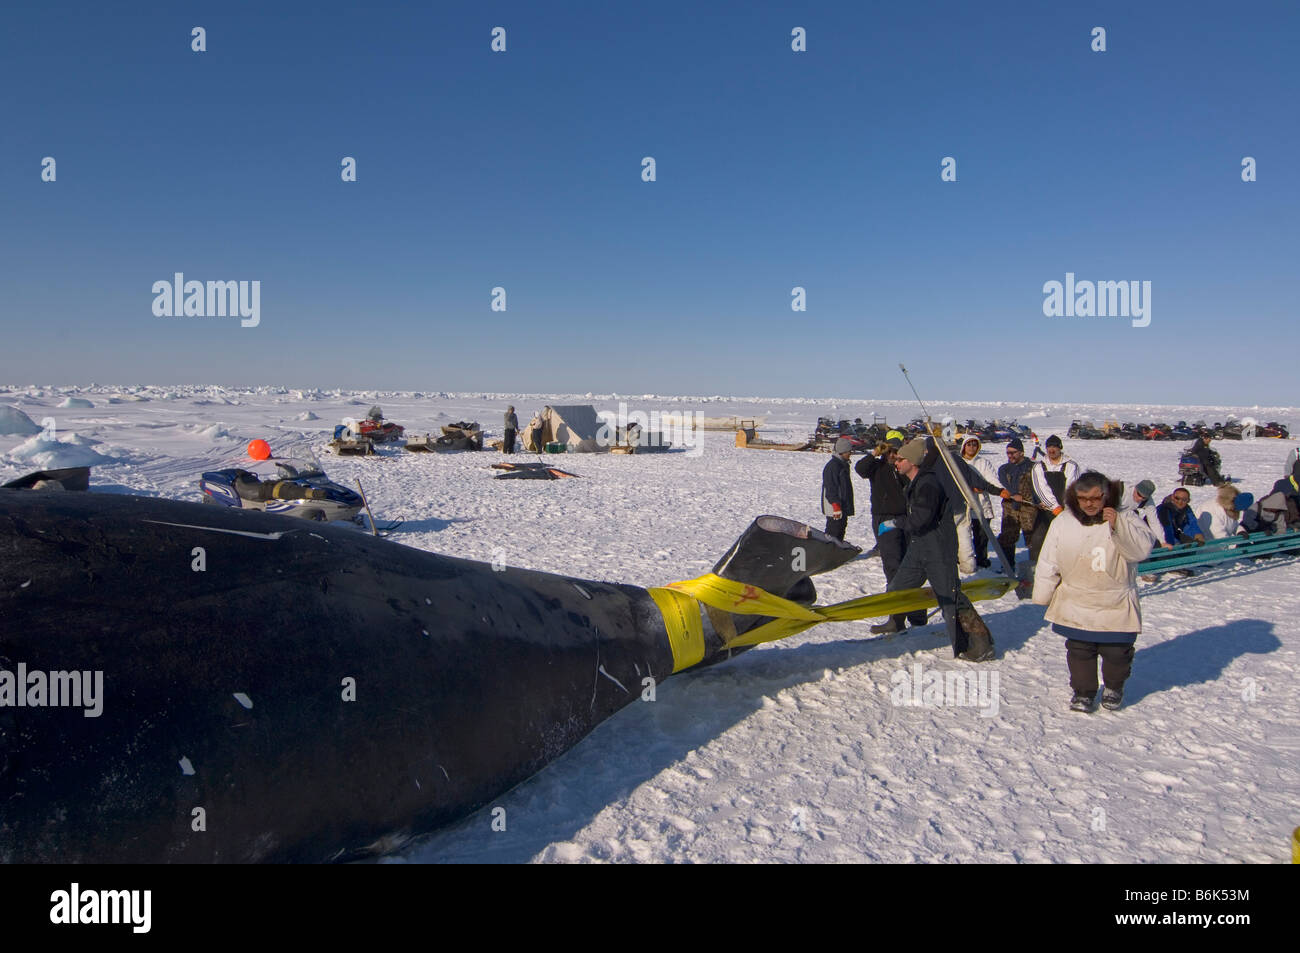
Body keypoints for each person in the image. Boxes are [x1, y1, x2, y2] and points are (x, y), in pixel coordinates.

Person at [1033, 471, 1153, 712]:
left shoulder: (1126, 517)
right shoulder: (1064, 521)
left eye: (1096, 498)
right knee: (1079, 651)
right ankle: (1083, 692)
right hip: (1077, 599)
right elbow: (1049, 560)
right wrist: (1043, 594)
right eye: (1083, 498)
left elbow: (1140, 552)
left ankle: (1113, 687)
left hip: (1115, 601)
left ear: (1106, 496)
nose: (1089, 504)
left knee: (1117, 652)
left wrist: (1117, 525)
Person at [872, 439, 995, 661]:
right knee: (898, 587)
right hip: (919, 548)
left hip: (938, 548)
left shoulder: (928, 484)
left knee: (951, 597)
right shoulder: (915, 482)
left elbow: (921, 519)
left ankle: (979, 645)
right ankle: (897, 622)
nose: (896, 463)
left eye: (900, 459)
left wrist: (896, 523)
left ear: (912, 462)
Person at [855, 433, 928, 629]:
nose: (894, 456)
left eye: (897, 453)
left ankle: (917, 615)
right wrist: (875, 453)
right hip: (884, 519)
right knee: (893, 567)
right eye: (891, 452)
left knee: (912, 566)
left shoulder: (904, 469)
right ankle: (896, 618)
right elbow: (860, 469)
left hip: (905, 518)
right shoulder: (877, 468)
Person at [994, 438, 1038, 578]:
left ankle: (1035, 567)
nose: (1010, 456)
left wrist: (1026, 498)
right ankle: (1008, 565)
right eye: (1008, 453)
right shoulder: (1004, 469)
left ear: (1021, 452)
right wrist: (1012, 494)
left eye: (1013, 452)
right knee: (1007, 537)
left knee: (1032, 537)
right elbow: (1001, 484)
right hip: (1010, 508)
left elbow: (1038, 488)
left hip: (1028, 508)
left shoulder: (1033, 468)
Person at [958, 435, 998, 568]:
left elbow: (992, 480)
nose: (971, 447)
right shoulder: (957, 462)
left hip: (980, 503)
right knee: (963, 535)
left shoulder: (983, 463)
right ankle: (962, 560)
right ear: (964, 446)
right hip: (962, 504)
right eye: (969, 444)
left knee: (981, 535)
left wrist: (992, 488)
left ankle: (982, 560)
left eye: (974, 445)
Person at [821, 437, 854, 541]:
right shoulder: (833, 466)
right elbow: (831, 488)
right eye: (848, 451)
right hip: (834, 508)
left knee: (841, 529)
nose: (850, 454)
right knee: (833, 531)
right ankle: (829, 554)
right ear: (842, 452)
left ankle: (837, 553)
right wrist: (835, 505)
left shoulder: (842, 465)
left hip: (842, 506)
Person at [1120, 478, 1167, 548]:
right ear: (1135, 488)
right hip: (1108, 513)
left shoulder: (1148, 501)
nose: (1140, 499)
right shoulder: (1121, 490)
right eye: (1139, 494)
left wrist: (1162, 541)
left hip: (1127, 515)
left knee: (1145, 532)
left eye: (1144, 498)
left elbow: (1154, 521)